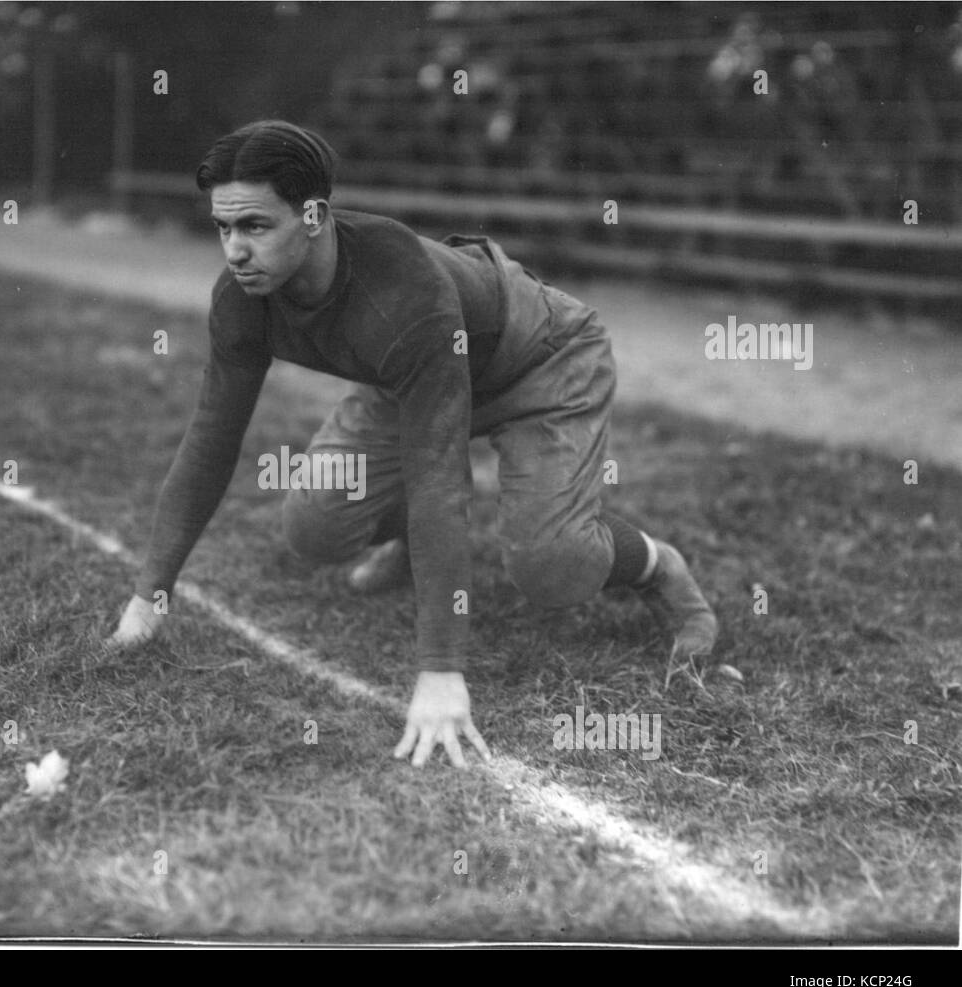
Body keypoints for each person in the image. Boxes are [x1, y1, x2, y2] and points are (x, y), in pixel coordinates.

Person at [105, 120, 717, 769]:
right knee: (316, 524)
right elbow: (210, 441)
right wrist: (150, 597)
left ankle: (658, 565)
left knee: (551, 565)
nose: (234, 250)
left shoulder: (402, 293)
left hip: (540, 362)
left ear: (314, 215)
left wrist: (440, 670)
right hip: (414, 376)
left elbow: (438, 475)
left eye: (255, 226)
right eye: (223, 228)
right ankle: (408, 540)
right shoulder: (241, 299)